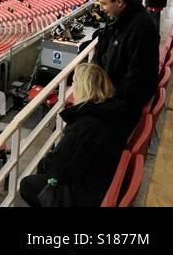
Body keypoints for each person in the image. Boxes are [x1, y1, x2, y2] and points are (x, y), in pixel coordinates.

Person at [19, 64, 131, 207]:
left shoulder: (85, 124)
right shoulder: (113, 113)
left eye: (74, 82)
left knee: (28, 184)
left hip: (85, 194)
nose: (73, 87)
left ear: (83, 88)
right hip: (101, 183)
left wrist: (46, 165)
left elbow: (59, 166)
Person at [89, 0, 160, 118]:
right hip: (112, 88)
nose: (102, 8)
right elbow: (102, 45)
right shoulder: (117, 15)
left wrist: (108, 93)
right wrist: (95, 72)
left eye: (104, 4)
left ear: (119, 2)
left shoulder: (142, 28)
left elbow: (138, 79)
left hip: (125, 101)